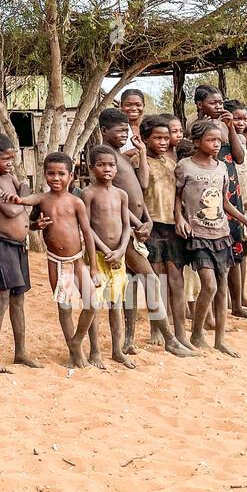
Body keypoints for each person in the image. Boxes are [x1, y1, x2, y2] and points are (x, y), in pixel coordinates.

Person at [175, 120, 247, 357]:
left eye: (218, 141)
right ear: (196, 142)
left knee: (222, 288)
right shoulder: (184, 166)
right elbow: (178, 196)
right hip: (197, 234)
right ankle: (197, 332)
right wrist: (179, 218)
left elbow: (225, 202)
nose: (216, 145)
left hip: (221, 233)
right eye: (211, 141)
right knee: (209, 286)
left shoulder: (222, 167)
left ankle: (220, 339)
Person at [18, 152, 100, 369]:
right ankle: (73, 351)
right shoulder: (43, 200)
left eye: (61, 174)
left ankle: (76, 342)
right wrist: (37, 225)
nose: (56, 178)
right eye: (51, 174)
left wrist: (94, 267)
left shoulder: (76, 203)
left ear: (71, 176)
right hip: (56, 261)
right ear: (44, 175)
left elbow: (88, 234)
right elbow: (31, 221)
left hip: (77, 261)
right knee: (64, 307)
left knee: (91, 303)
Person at [99, 108, 168, 354]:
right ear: (104, 131)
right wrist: (137, 224)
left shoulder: (123, 158)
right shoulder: (104, 158)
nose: (123, 135)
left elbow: (142, 186)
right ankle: (170, 339)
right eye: (119, 131)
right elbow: (114, 200)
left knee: (131, 284)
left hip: (138, 227)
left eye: (126, 131)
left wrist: (141, 152)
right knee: (150, 278)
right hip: (123, 232)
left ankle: (128, 341)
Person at [0, 133, 44, 374]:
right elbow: (10, 211)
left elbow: (25, 200)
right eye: (5, 159)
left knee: (19, 300)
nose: (9, 163)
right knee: (1, 299)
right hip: (2, 247)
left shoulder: (10, 178)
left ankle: (20, 351)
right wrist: (22, 200)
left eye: (12, 158)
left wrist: (22, 200)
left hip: (19, 247)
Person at [191, 85, 247, 319]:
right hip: (208, 193)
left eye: (221, 102)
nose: (219, 106)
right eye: (213, 103)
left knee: (235, 248)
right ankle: (209, 310)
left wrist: (230, 129)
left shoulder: (226, 127)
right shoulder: (195, 129)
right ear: (200, 105)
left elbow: (238, 157)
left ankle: (235, 304)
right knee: (210, 253)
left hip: (230, 189)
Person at [140, 116, 195, 354]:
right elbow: (140, 189)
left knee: (176, 279)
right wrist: (141, 154)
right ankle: (157, 328)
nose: (163, 142)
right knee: (157, 279)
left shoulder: (172, 164)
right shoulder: (137, 161)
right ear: (145, 139)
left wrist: (180, 217)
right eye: (157, 138)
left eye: (166, 138)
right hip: (151, 225)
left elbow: (177, 196)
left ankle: (181, 332)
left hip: (172, 225)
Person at [81, 144, 136, 368]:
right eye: (101, 165)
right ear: (92, 168)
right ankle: (95, 351)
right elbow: (87, 228)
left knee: (116, 303)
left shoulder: (121, 195)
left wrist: (122, 250)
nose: (107, 169)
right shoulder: (88, 193)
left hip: (118, 257)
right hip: (96, 256)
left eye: (111, 165)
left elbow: (126, 226)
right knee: (95, 303)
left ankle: (116, 349)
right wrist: (105, 249)